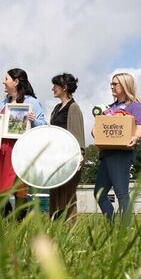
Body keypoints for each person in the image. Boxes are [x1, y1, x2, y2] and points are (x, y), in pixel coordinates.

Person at [0, 68, 47, 213]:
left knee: (19, 189)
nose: (3, 82)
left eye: (6, 78)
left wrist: (33, 120)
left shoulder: (32, 102)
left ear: (15, 82)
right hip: (2, 151)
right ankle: (6, 215)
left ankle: (19, 220)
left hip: (21, 151)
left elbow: (44, 125)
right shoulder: (2, 103)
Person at [95, 72, 141, 223]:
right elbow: (98, 128)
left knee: (121, 193)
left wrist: (135, 137)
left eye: (115, 84)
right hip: (107, 153)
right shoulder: (110, 108)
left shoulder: (135, 106)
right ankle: (111, 223)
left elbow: (140, 128)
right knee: (99, 193)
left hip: (121, 154)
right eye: (112, 84)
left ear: (125, 85)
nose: (112, 86)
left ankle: (126, 228)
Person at [48, 73, 86, 222]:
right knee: (55, 194)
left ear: (64, 88)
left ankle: (70, 228)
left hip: (69, 157)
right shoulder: (57, 108)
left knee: (68, 195)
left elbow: (77, 133)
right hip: (55, 157)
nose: (52, 89)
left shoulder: (73, 107)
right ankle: (54, 225)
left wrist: (79, 154)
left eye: (55, 86)